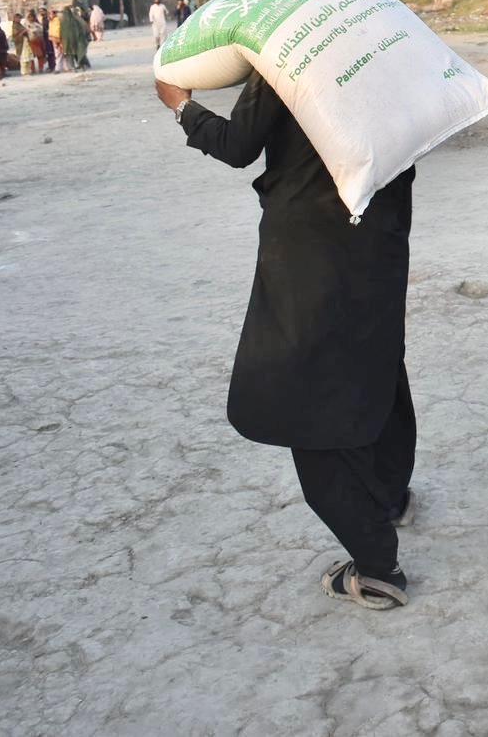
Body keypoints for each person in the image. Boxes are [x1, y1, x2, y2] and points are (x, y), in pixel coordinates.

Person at [153, 71, 417, 610]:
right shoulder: (383, 62)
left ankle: (376, 565)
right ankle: (390, 496)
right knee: (375, 361)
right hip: (378, 240)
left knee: (305, 394)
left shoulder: (292, 63)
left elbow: (237, 145)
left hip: (311, 253)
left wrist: (181, 106)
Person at [47, 7, 65, 72]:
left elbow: (57, 30)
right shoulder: (52, 21)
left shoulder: (57, 20)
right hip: (53, 39)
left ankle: (58, 68)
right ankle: (61, 67)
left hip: (58, 39)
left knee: (59, 54)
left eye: (51, 14)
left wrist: (57, 40)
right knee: (59, 53)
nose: (50, 15)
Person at [40, 6, 57, 72]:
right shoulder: (43, 19)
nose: (41, 12)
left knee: (51, 52)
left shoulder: (48, 18)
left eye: (42, 11)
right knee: (48, 53)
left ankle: (52, 66)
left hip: (49, 37)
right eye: (40, 11)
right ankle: (51, 65)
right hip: (45, 37)